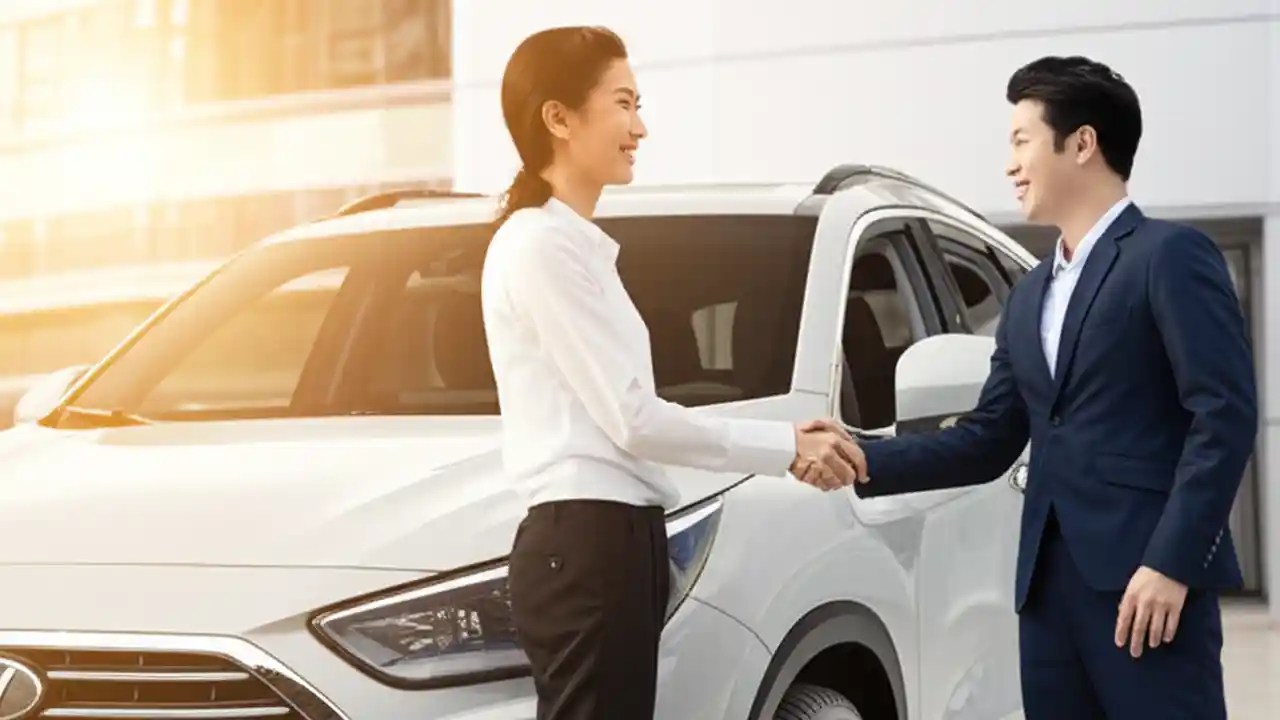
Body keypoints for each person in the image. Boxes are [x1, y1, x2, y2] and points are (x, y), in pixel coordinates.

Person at [480, 26, 868, 720]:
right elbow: (633, 419)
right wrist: (787, 447)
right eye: (624, 104)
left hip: (610, 542)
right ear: (559, 118)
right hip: (588, 545)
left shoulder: (571, 247)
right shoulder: (540, 247)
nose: (641, 127)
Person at [853, 56, 1257, 719]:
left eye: (1021, 141)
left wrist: (1173, 563)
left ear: (1082, 143)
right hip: (1046, 594)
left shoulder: (1169, 256)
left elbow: (1225, 415)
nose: (1010, 164)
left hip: (1146, 586)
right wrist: (860, 457)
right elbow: (989, 440)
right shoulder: (1030, 293)